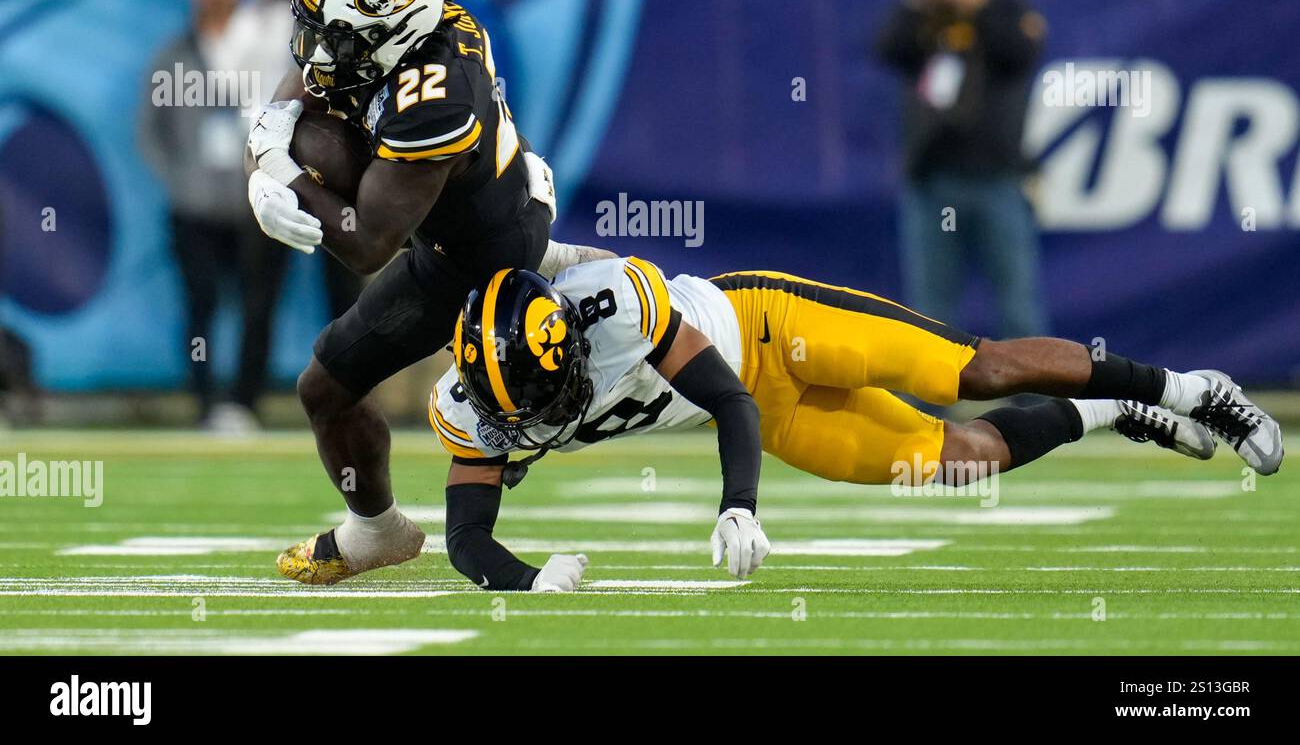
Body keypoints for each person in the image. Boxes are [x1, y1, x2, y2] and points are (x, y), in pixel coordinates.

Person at [419, 251, 1281, 593]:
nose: (538, 417)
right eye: (516, 409)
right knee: (962, 458)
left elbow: (729, 399)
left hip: (769, 330)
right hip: (778, 416)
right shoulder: (474, 407)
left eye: (549, 389)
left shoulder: (619, 309)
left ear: (570, 340)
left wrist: (739, 504)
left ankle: (1182, 388)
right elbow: (466, 540)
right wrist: (529, 581)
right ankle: (1110, 411)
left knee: (974, 369)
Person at [243, 0, 558, 585]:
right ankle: (380, 528)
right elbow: (311, 78)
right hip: (463, 206)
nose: (316, 55)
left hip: (479, 251)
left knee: (333, 385)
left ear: (393, 34)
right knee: (328, 388)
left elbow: (364, 244)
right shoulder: (403, 34)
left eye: (338, 39)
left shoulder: (436, 92)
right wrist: (273, 132)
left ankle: (388, 523)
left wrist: (284, 171)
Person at [878, 0, 1050, 342]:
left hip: (998, 179)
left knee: (1018, 309)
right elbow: (886, 48)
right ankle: (930, 410)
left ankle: (1037, 407)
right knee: (931, 312)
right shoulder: (924, 16)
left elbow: (1020, 53)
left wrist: (978, 4)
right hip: (933, 181)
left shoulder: (1007, 8)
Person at [225, 0, 363, 419]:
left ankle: (352, 397)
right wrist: (270, 8)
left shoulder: (349, 17)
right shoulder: (261, 15)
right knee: (259, 294)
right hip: (268, 166)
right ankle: (243, 402)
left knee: (347, 292)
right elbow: (228, 71)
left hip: (332, 168)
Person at [138, 0, 270, 434]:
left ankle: (246, 402)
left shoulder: (263, 45)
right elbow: (150, 130)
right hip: (194, 207)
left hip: (254, 201)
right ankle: (206, 401)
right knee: (201, 303)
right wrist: (180, 181)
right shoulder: (174, 54)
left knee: (257, 305)